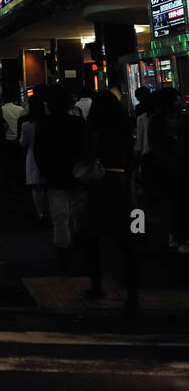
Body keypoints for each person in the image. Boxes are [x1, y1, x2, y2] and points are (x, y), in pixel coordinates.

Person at [80, 91, 140, 310]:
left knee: (90, 237)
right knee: (127, 243)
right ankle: (133, 294)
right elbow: (132, 155)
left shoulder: (93, 130)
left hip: (99, 186)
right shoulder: (123, 129)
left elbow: (86, 156)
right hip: (122, 186)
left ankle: (97, 285)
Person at [31, 83, 92, 273]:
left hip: (54, 177)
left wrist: (46, 172)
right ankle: (86, 253)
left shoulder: (44, 124)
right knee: (79, 216)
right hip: (77, 175)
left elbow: (39, 152)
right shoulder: (78, 123)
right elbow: (86, 148)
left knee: (59, 218)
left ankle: (64, 256)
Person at [148, 87, 189, 253]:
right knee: (179, 202)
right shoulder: (184, 119)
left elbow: (153, 145)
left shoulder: (155, 120)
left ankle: (176, 233)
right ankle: (180, 235)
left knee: (175, 202)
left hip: (169, 167)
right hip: (177, 166)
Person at [18, 92, 49, 225]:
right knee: (45, 186)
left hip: (31, 156)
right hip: (46, 155)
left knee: (35, 187)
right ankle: (47, 211)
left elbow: (23, 142)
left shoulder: (26, 124)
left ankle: (40, 212)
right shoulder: (48, 122)